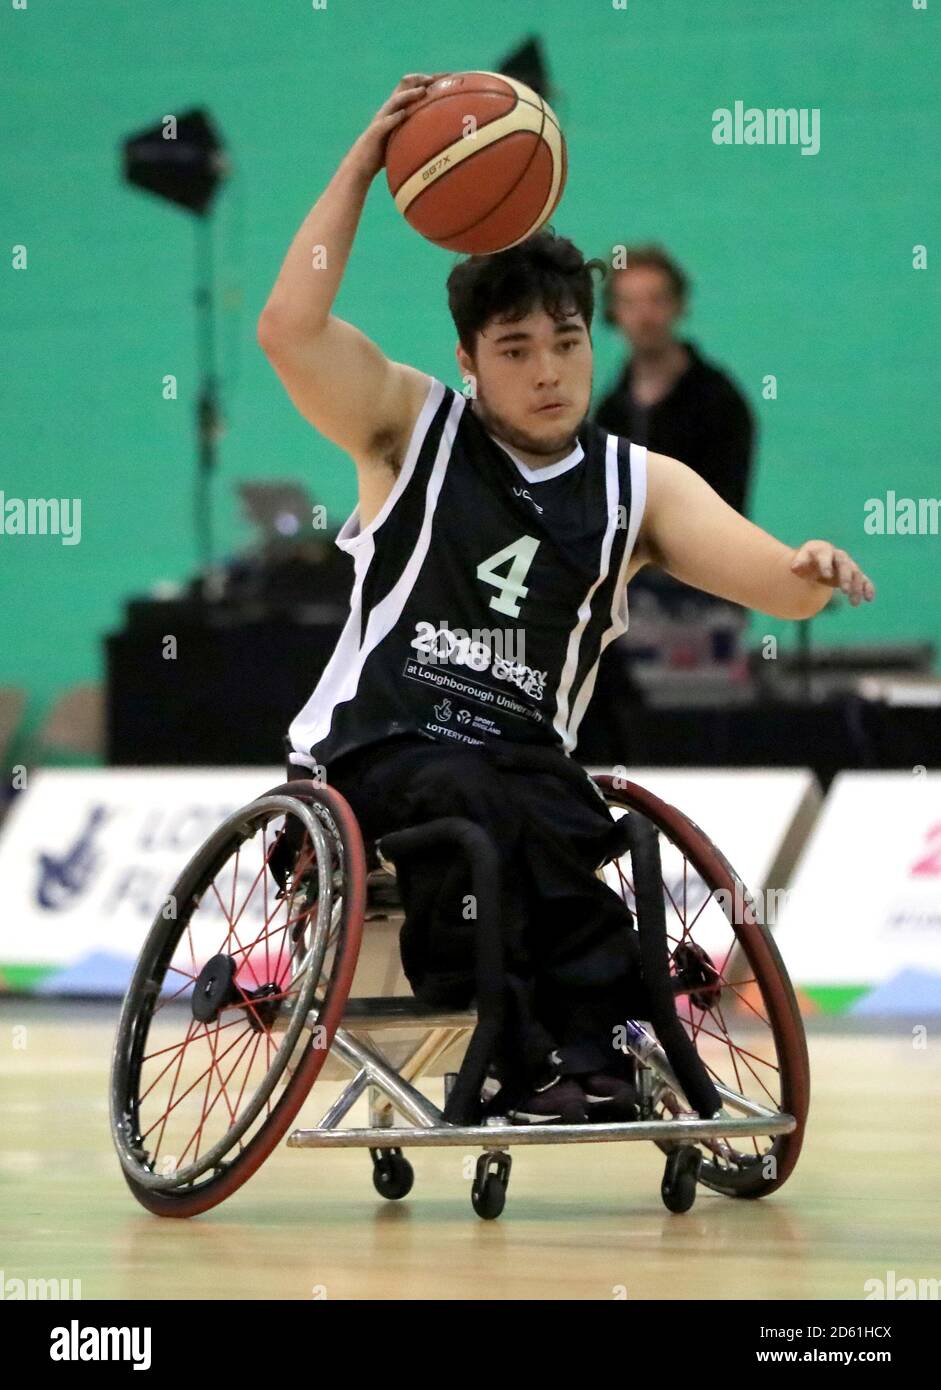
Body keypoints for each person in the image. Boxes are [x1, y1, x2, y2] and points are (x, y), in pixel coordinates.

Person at [257, 74, 875, 1125]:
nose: (547, 372)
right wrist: (362, 169)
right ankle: (521, 1039)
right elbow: (287, 328)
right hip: (379, 753)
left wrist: (807, 573)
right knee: (483, 802)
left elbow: (770, 580)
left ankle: (594, 1050)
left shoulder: (639, 484)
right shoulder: (409, 427)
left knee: (569, 812)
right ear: (468, 363)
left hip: (525, 764)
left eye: (565, 343)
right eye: (514, 351)